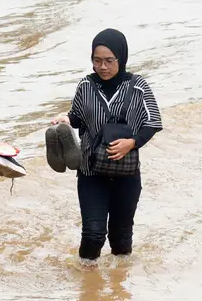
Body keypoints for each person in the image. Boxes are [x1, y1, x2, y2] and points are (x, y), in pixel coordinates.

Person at [47, 28, 163, 261]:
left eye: (109, 61)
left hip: (127, 173)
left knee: (121, 238)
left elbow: (154, 122)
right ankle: (86, 281)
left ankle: (118, 287)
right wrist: (66, 120)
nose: (103, 67)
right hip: (91, 171)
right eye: (97, 60)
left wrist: (132, 143)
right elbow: (78, 117)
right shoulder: (85, 86)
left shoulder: (138, 86)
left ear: (121, 58)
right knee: (93, 234)